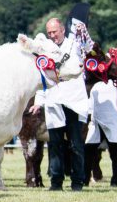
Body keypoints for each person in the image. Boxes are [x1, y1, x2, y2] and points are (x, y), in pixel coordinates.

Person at [31, 16, 90, 191]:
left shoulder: (75, 44)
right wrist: (38, 101)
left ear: (63, 30)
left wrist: (84, 33)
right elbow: (43, 78)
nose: (52, 36)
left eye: (54, 32)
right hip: (54, 100)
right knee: (55, 144)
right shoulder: (45, 49)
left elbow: (89, 48)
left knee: (76, 144)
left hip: (74, 100)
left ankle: (78, 181)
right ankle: (56, 182)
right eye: (49, 32)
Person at [84, 49, 117, 186]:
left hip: (113, 121)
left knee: (115, 152)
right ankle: (84, 178)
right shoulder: (96, 84)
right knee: (89, 150)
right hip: (96, 121)